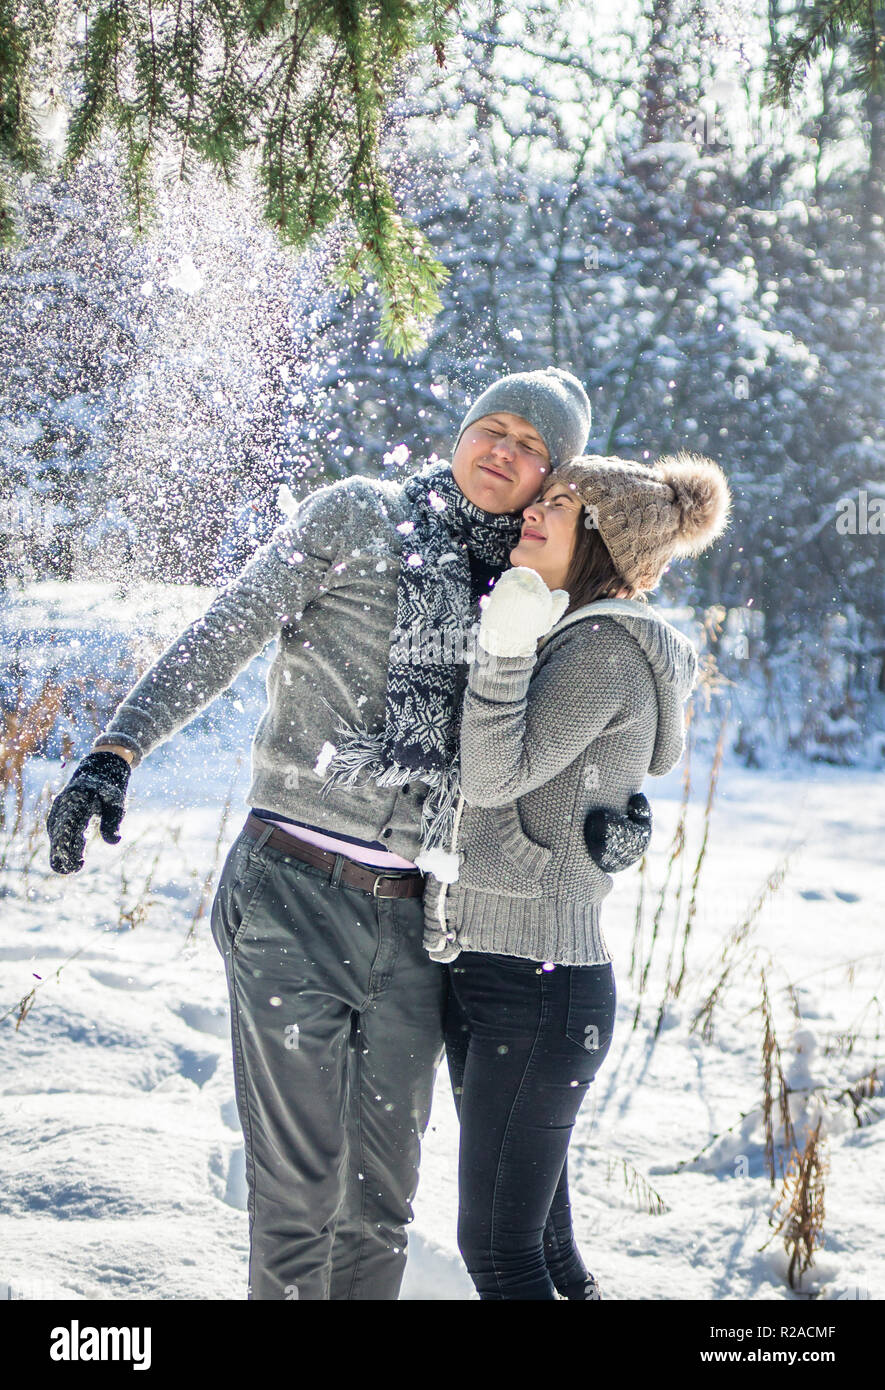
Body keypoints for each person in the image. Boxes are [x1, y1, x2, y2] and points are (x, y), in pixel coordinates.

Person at [45, 367, 637, 1301]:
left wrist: (614, 819)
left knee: (380, 1204)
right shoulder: (360, 515)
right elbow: (222, 631)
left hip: (419, 925)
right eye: (493, 427)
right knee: (297, 1196)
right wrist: (116, 748)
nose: (503, 453)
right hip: (291, 888)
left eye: (532, 448)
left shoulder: (537, 586)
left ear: (552, 480)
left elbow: (563, 746)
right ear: (460, 431)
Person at [421, 449, 733, 1300]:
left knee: (499, 1254)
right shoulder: (585, 637)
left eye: (564, 503)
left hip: (533, 983)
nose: (537, 508)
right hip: (509, 970)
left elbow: (491, 776)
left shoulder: (595, 648)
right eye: (546, 494)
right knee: (546, 1254)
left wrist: (504, 645)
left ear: (602, 543)